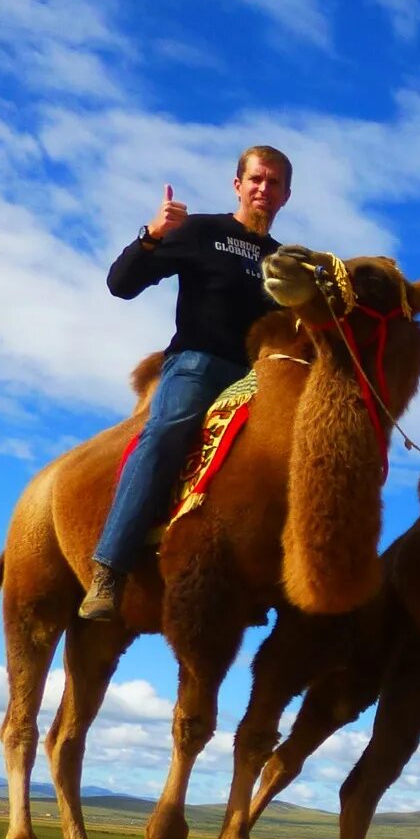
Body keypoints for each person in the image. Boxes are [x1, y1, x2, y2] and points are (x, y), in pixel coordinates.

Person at [79, 145, 293, 621]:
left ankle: (263, 575)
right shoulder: (202, 232)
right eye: (256, 179)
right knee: (167, 430)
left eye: (274, 182)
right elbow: (121, 284)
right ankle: (109, 568)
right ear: (238, 185)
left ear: (286, 196)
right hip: (199, 363)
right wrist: (153, 235)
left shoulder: (283, 262)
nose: (264, 189)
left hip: (260, 378)